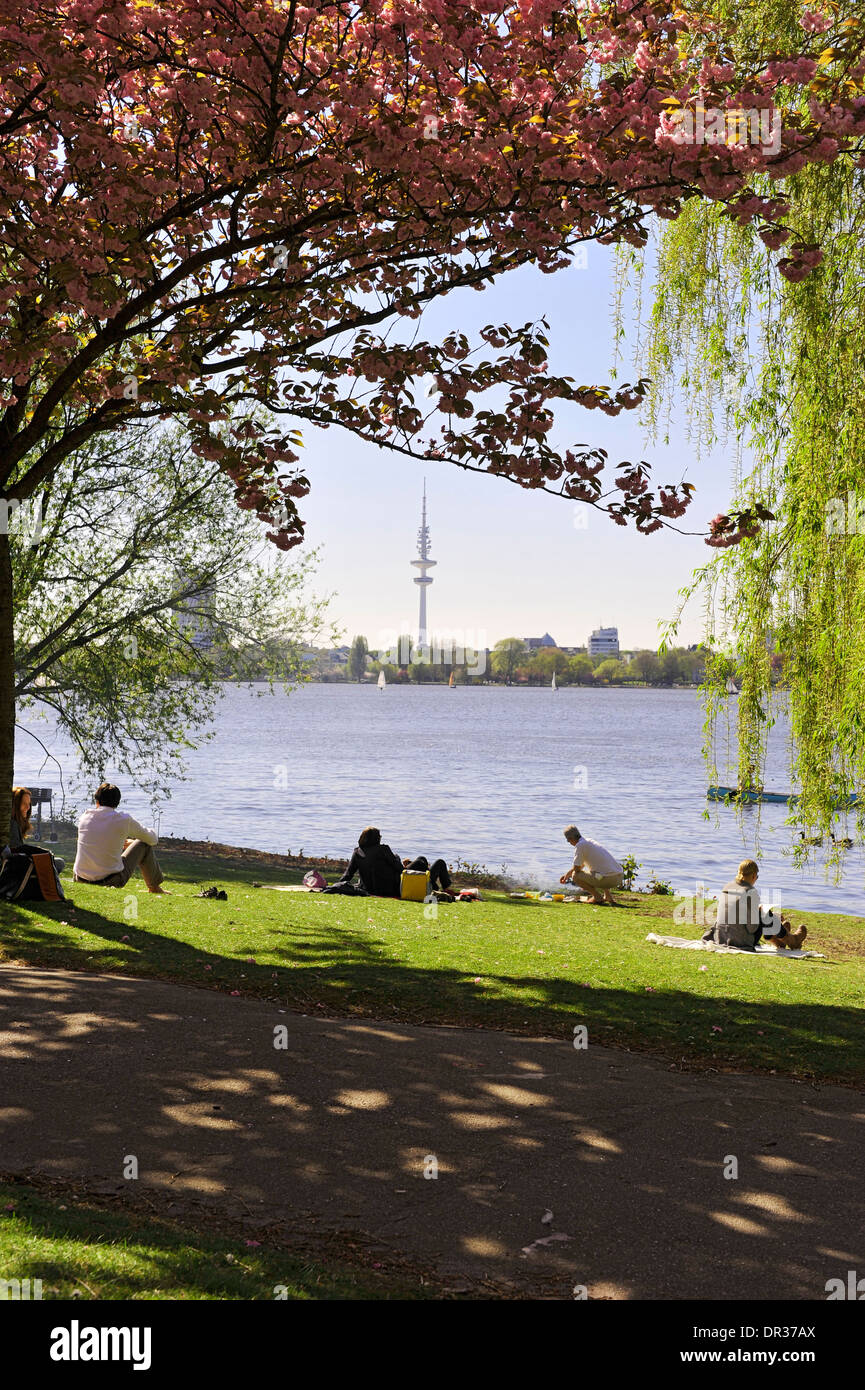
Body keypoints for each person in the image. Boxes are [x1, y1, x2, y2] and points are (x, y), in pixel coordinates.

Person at [73, 783, 168, 894]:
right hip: (111, 881)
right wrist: (133, 842)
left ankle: (154, 888)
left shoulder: (85, 817)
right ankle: (154, 888)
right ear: (117, 803)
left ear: (97, 801)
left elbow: (100, 838)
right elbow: (152, 840)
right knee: (144, 844)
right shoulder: (123, 820)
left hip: (79, 879)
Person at [702, 859, 807, 951]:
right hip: (740, 942)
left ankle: (780, 942)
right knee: (766, 915)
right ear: (753, 876)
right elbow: (752, 928)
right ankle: (793, 941)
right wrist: (761, 913)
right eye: (757, 877)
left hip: (721, 937)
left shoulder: (727, 887)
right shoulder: (750, 891)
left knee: (765, 915)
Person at [337, 826, 454, 898]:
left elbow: (348, 875)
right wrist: (400, 860)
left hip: (371, 889)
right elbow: (400, 870)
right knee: (435, 862)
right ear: (376, 838)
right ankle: (442, 889)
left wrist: (337, 885)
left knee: (421, 860)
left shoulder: (357, 852)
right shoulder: (383, 849)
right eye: (379, 836)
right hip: (396, 888)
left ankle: (433, 888)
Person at [6, 786, 66, 873]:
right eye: (24, 803)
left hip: (20, 864)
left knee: (57, 861)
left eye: (29, 804)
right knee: (59, 863)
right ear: (15, 804)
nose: (28, 807)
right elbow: (18, 851)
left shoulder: (15, 823)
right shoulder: (12, 824)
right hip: (19, 868)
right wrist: (41, 853)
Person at [560, 824, 623, 905]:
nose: (569, 843)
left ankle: (597, 897)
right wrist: (567, 875)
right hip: (618, 876)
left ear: (570, 839)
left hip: (608, 879)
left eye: (568, 841)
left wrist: (570, 875)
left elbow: (576, 869)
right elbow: (581, 865)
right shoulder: (589, 841)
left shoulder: (580, 846)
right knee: (596, 871)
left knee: (575, 876)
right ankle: (608, 896)